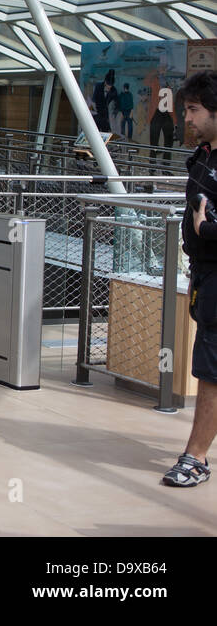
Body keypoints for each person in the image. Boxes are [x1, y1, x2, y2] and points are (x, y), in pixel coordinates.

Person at [161, 70, 217, 487]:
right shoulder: (203, 156)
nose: (188, 118)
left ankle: (195, 457)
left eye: (194, 110)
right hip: (205, 275)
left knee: (210, 369)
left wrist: (205, 230)